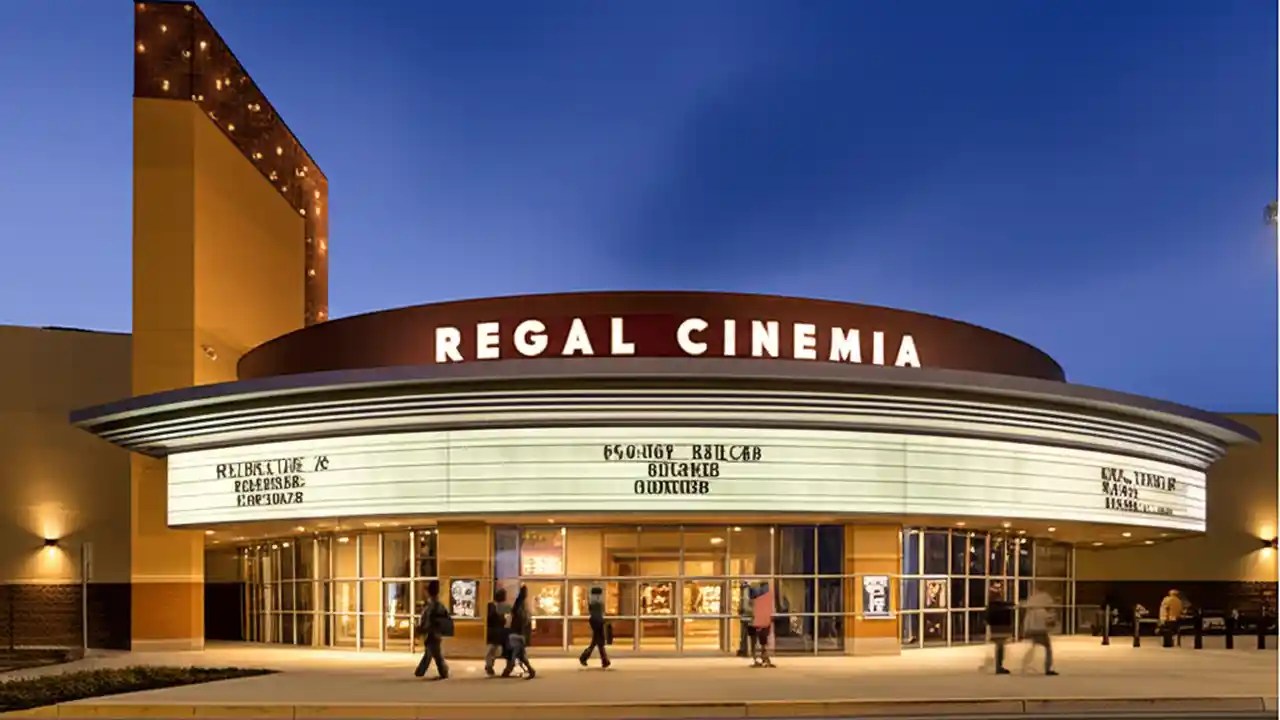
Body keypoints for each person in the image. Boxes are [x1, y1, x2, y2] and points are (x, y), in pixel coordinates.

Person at [413, 579, 450, 680]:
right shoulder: (437, 605)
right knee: (432, 652)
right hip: (434, 632)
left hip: (432, 632)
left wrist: (422, 628)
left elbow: (427, 619)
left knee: (433, 652)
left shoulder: (431, 606)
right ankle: (439, 671)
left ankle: (424, 670)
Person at [1020, 587, 1057, 676]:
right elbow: (1049, 621)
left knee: (1032, 647)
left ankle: (1025, 665)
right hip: (1040, 631)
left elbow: (1026, 622)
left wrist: (1023, 631)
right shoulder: (1042, 611)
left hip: (1030, 630)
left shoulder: (1030, 611)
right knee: (1048, 648)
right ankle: (1047, 668)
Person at [503, 585, 536, 679]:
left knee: (516, 652)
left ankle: (510, 668)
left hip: (516, 632)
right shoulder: (523, 605)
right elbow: (524, 618)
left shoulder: (519, 604)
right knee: (519, 652)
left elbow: (515, 616)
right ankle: (528, 670)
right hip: (521, 633)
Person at [579, 585, 611, 668]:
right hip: (598, 621)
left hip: (594, 620)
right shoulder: (599, 601)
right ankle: (585, 658)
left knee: (597, 641)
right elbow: (600, 612)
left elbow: (591, 611)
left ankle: (604, 660)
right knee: (597, 641)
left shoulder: (591, 601)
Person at [984, 589, 1015, 675]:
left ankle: (999, 666)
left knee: (999, 647)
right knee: (1000, 648)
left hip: (995, 628)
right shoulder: (1001, 605)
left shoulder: (991, 606)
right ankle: (999, 666)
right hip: (1001, 628)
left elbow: (987, 618)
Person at [484, 587, 512, 677]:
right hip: (499, 630)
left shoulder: (491, 605)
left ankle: (489, 665)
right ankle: (491, 666)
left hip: (493, 630)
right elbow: (506, 619)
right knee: (496, 649)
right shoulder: (500, 606)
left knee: (492, 649)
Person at [750, 582, 775, 668]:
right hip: (764, 622)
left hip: (759, 622)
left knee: (759, 642)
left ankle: (760, 658)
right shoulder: (768, 597)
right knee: (763, 642)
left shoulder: (756, 598)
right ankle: (763, 658)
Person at [736, 582, 755, 658]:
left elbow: (745, 606)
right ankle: (748, 650)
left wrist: (741, 610)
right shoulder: (746, 594)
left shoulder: (745, 594)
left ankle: (745, 650)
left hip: (746, 617)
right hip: (748, 617)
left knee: (745, 635)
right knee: (748, 635)